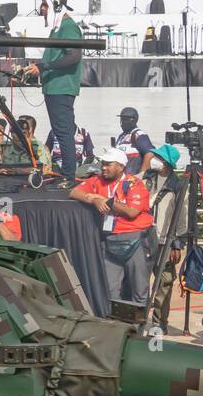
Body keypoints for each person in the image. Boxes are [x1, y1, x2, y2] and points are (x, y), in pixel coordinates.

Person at [70, 148, 154, 305]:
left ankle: (140, 320)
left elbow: (131, 212)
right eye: (103, 163)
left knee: (139, 290)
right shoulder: (98, 180)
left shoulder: (134, 184)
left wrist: (106, 201)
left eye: (108, 164)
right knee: (110, 290)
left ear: (121, 167)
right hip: (110, 239)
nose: (103, 167)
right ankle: (117, 320)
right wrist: (94, 200)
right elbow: (74, 192)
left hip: (136, 239)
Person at [24, 0, 83, 188]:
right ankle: (67, 174)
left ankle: (68, 176)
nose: (41, 9)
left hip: (61, 88)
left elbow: (73, 56)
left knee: (64, 133)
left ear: (56, 5)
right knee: (61, 132)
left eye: (44, 5)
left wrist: (44, 67)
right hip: (54, 87)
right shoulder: (58, 28)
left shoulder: (68, 27)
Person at [146, 143, 187, 330]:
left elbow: (181, 216)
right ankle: (138, 319)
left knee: (164, 282)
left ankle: (159, 322)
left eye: (159, 158)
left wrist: (177, 244)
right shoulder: (147, 179)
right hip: (143, 238)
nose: (154, 160)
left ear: (167, 164)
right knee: (140, 281)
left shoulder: (177, 185)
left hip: (165, 241)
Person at [113, 106, 155, 176]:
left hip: (132, 178)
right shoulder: (121, 136)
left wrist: (141, 176)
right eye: (121, 119)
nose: (122, 122)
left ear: (134, 120)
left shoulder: (139, 135)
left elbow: (150, 154)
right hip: (121, 178)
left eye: (125, 119)